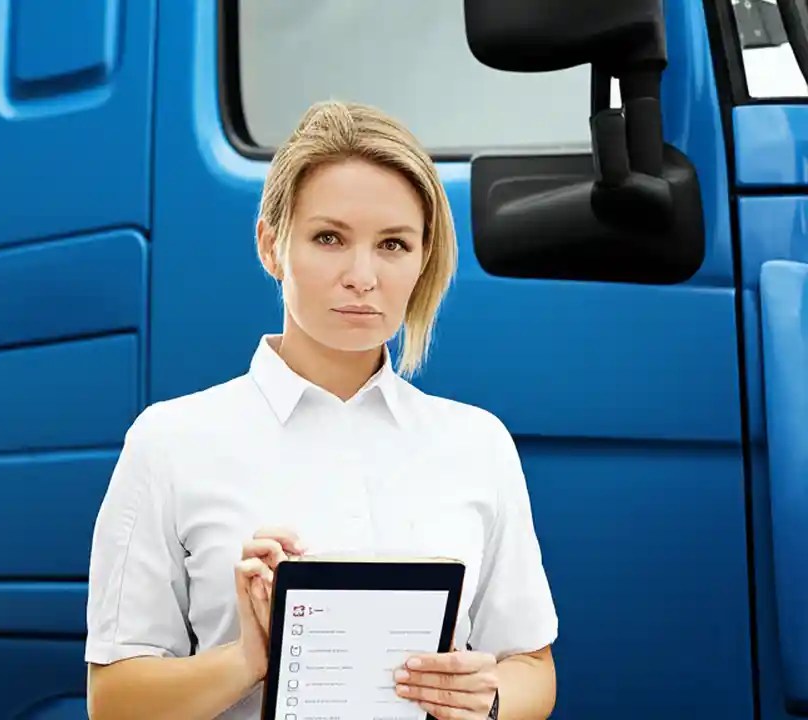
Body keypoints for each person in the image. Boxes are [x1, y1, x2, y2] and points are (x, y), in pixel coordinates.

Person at [83, 101, 558, 720]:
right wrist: (249, 659)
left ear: (422, 260)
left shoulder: (477, 443)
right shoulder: (170, 442)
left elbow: (531, 668)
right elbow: (114, 701)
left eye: (393, 244)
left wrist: (484, 699)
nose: (362, 275)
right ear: (271, 246)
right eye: (329, 238)